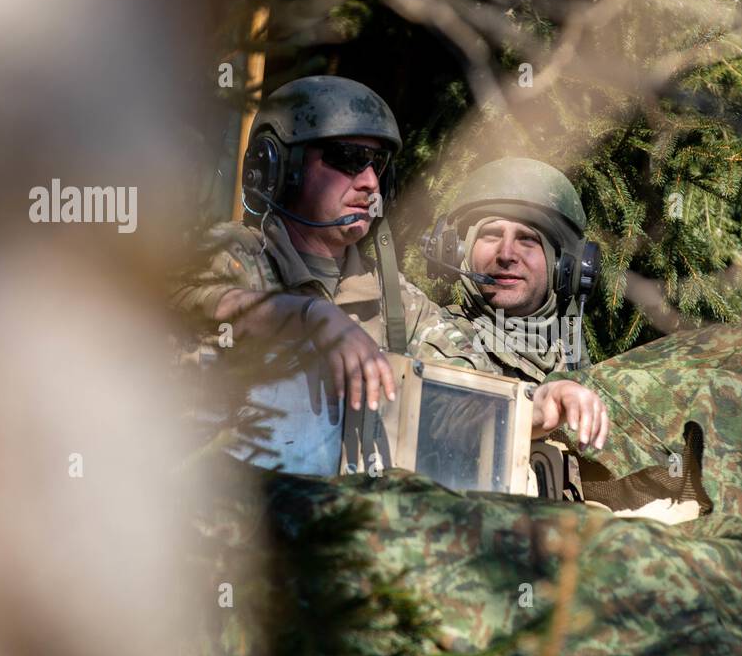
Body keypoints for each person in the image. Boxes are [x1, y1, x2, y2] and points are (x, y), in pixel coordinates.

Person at [172, 77, 608, 469]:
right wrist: (305, 316)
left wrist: (542, 405)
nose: (368, 183)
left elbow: (470, 393)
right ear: (280, 167)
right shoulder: (228, 253)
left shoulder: (396, 300)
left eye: (377, 165)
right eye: (347, 159)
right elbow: (175, 296)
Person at [413, 157, 609, 447]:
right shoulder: (438, 338)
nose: (506, 254)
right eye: (491, 234)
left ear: (565, 267)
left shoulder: (570, 356)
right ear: (458, 253)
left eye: (527, 239)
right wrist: (537, 408)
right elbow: (447, 415)